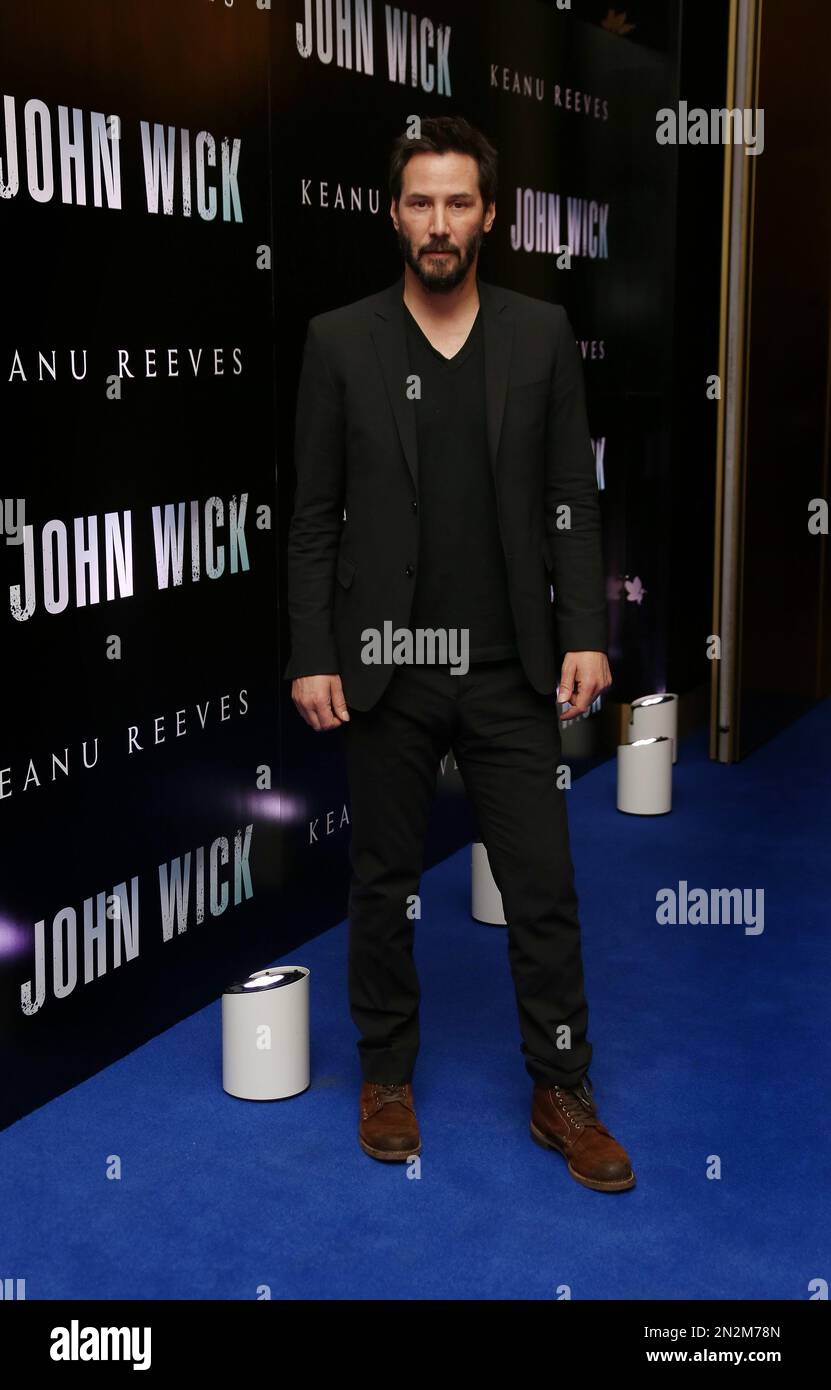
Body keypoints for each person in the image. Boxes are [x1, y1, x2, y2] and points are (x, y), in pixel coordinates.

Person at [284, 114, 635, 1192]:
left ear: (490, 215)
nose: (440, 223)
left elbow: (572, 497)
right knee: (384, 883)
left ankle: (561, 1087)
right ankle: (385, 1075)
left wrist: (585, 628)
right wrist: (313, 649)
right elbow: (315, 514)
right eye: (422, 202)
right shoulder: (341, 341)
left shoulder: (538, 333)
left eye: (460, 202)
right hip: (384, 659)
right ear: (395, 214)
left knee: (543, 886)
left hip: (509, 668)